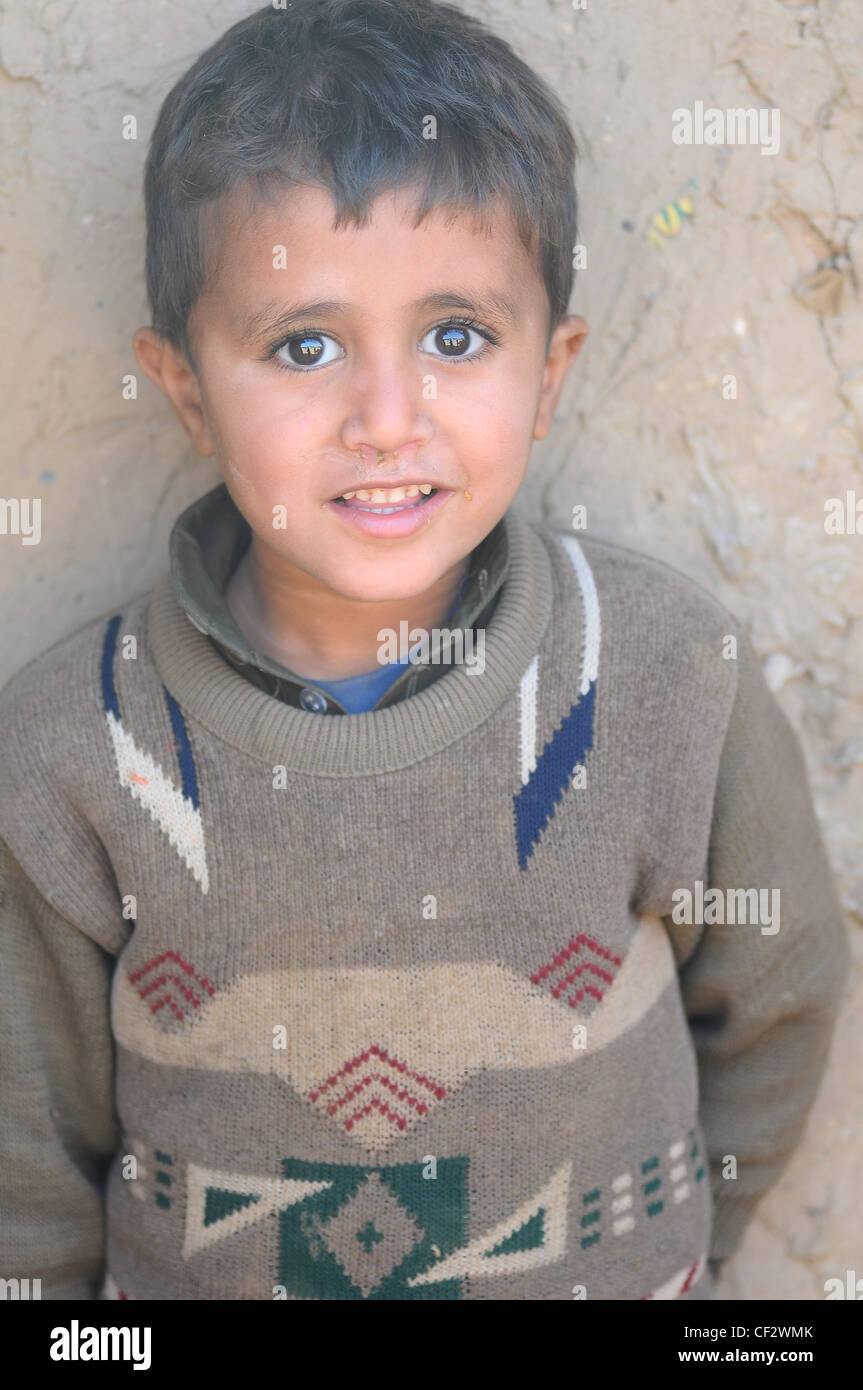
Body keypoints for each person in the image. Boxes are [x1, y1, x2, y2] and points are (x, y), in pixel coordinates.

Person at [0, 0, 847, 1301]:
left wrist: (682, 1261)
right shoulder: (72, 752)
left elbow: (775, 994)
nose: (386, 419)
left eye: (456, 337)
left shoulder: (667, 676)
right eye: (305, 344)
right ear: (183, 390)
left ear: (551, 370)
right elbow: (28, 1165)